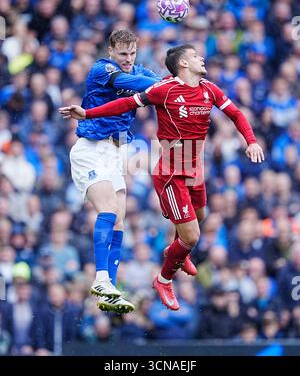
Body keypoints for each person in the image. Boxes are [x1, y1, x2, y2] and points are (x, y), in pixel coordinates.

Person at [59, 44, 264, 311]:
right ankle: (164, 279)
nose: (201, 58)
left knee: (199, 218)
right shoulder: (164, 90)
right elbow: (125, 102)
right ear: (183, 64)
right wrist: (87, 113)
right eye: (194, 55)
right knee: (191, 236)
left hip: (194, 168)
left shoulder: (209, 89)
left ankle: (174, 252)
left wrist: (251, 141)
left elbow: (236, 114)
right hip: (171, 173)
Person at [64, 29, 160, 313]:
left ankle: (110, 289)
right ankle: (101, 278)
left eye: (132, 54)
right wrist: (164, 84)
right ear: (111, 52)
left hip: (116, 153)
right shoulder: (102, 69)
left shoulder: (138, 69)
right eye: (122, 54)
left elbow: (151, 84)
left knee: (119, 220)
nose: (128, 59)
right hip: (91, 149)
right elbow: (132, 82)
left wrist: (167, 85)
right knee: (107, 209)